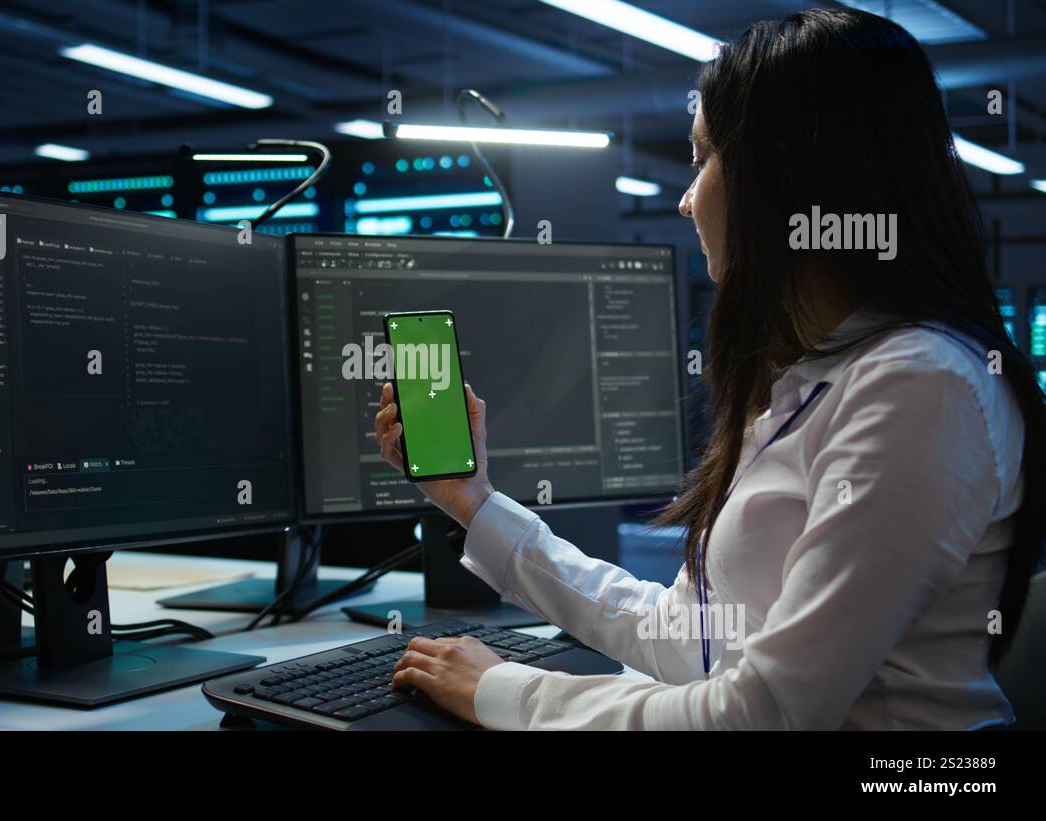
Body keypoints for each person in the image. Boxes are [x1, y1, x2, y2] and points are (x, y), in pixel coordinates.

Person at [377, 8, 1045, 730]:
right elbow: (686, 636)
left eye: (702, 158)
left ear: (779, 175)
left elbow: (762, 713)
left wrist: (503, 691)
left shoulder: (920, 387)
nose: (686, 197)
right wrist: (475, 503)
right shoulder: (818, 381)